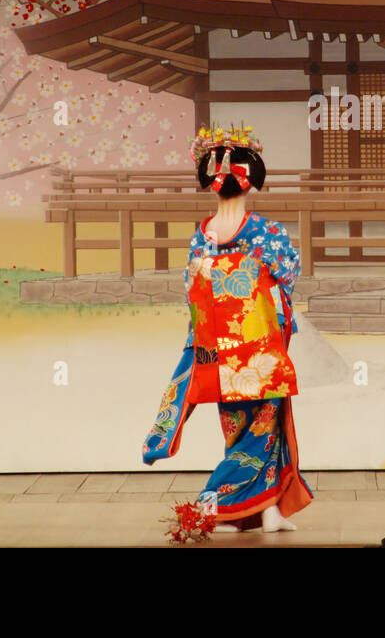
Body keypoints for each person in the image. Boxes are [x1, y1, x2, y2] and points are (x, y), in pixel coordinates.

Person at [143, 124, 312, 532]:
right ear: (251, 183)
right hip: (258, 352)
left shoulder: (201, 237)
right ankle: (210, 504)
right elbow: (288, 275)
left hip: (215, 352)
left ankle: (267, 510)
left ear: (211, 184)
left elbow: (193, 293)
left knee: (239, 431)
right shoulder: (267, 233)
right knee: (262, 432)